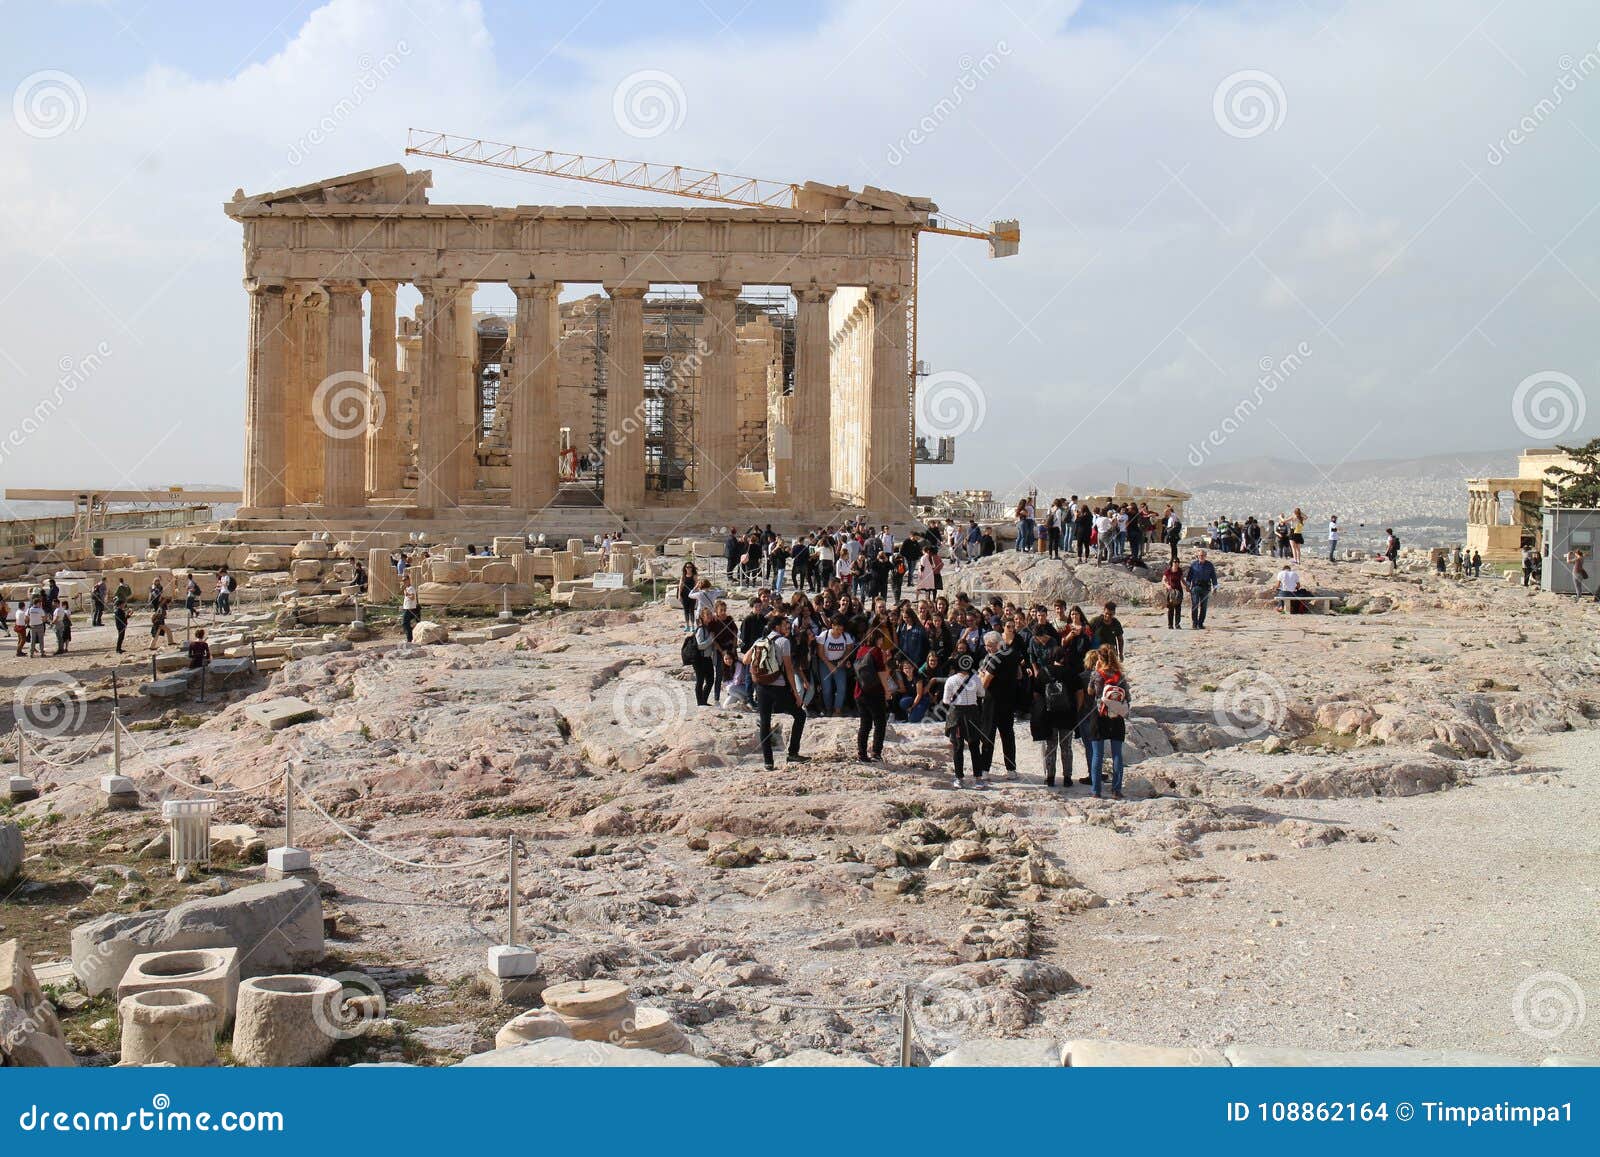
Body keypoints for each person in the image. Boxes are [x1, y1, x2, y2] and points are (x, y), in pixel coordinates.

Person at [744, 614, 808, 769]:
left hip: (761, 686)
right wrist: (796, 693)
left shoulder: (759, 641)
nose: (787, 627)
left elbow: (745, 659)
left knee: (765, 722)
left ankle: (768, 762)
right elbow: (788, 668)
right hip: (778, 686)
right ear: (777, 626)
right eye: (785, 624)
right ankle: (792, 753)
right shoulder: (783, 642)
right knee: (800, 715)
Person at [1030, 633, 1079, 788]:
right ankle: (1067, 778)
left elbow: (1036, 693)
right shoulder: (1071, 672)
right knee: (1066, 747)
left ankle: (1050, 777)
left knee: (1051, 746)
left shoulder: (1044, 672)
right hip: (1067, 714)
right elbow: (1080, 693)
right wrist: (1076, 709)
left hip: (1049, 714)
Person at [1086, 645, 1130, 799]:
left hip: (1099, 716)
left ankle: (1096, 791)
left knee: (1097, 755)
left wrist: (1095, 672)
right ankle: (1116, 790)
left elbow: (1091, 692)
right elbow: (1128, 698)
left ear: (1100, 658)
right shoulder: (1120, 675)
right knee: (1117, 754)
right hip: (1116, 717)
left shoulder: (1098, 674)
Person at [977, 626, 1020, 778]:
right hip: (1009, 700)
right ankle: (1011, 770)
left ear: (996, 644)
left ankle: (984, 770)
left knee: (988, 735)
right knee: (1008, 735)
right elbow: (1019, 675)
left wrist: (981, 674)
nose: (987, 648)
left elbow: (984, 684)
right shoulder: (1013, 655)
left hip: (992, 702)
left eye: (989, 645)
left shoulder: (995, 658)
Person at [942, 651, 985, 789]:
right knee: (974, 746)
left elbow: (946, 700)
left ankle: (959, 778)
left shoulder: (950, 680)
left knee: (958, 747)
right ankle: (978, 778)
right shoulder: (976, 679)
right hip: (972, 714)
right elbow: (981, 694)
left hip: (956, 715)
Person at [852, 624, 894, 763]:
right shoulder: (876, 651)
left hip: (860, 691)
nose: (883, 642)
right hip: (874, 692)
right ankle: (876, 753)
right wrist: (887, 691)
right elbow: (882, 674)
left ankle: (862, 755)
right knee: (880, 723)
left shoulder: (861, 650)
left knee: (865, 724)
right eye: (882, 639)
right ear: (877, 638)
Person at [690, 608, 718, 706]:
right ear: (702, 617)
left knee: (710, 680)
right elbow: (700, 645)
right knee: (700, 680)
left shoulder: (708, 628)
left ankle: (704, 700)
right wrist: (711, 639)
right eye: (708, 615)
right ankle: (700, 702)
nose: (710, 616)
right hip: (699, 659)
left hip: (707, 658)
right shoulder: (701, 629)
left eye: (710, 614)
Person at [1184, 549, 1218, 629]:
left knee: (1204, 606)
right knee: (1195, 605)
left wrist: (1215, 587)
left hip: (1205, 588)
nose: (1201, 557)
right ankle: (1194, 623)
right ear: (1197, 556)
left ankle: (1200, 623)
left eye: (1203, 555)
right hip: (1195, 587)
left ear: (1205, 556)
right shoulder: (1193, 565)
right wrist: (1187, 585)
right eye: (1200, 555)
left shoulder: (1209, 565)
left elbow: (1213, 576)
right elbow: (1189, 576)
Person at [1162, 559, 1184, 629]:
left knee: (1178, 608)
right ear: (1172, 563)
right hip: (1170, 592)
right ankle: (1170, 625)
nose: (1176, 563)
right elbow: (1163, 580)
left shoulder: (1180, 570)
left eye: (1177, 562)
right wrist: (1167, 586)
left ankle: (1177, 624)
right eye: (1175, 562)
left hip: (1179, 591)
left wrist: (1187, 586)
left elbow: (1182, 579)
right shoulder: (1168, 571)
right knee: (1170, 609)